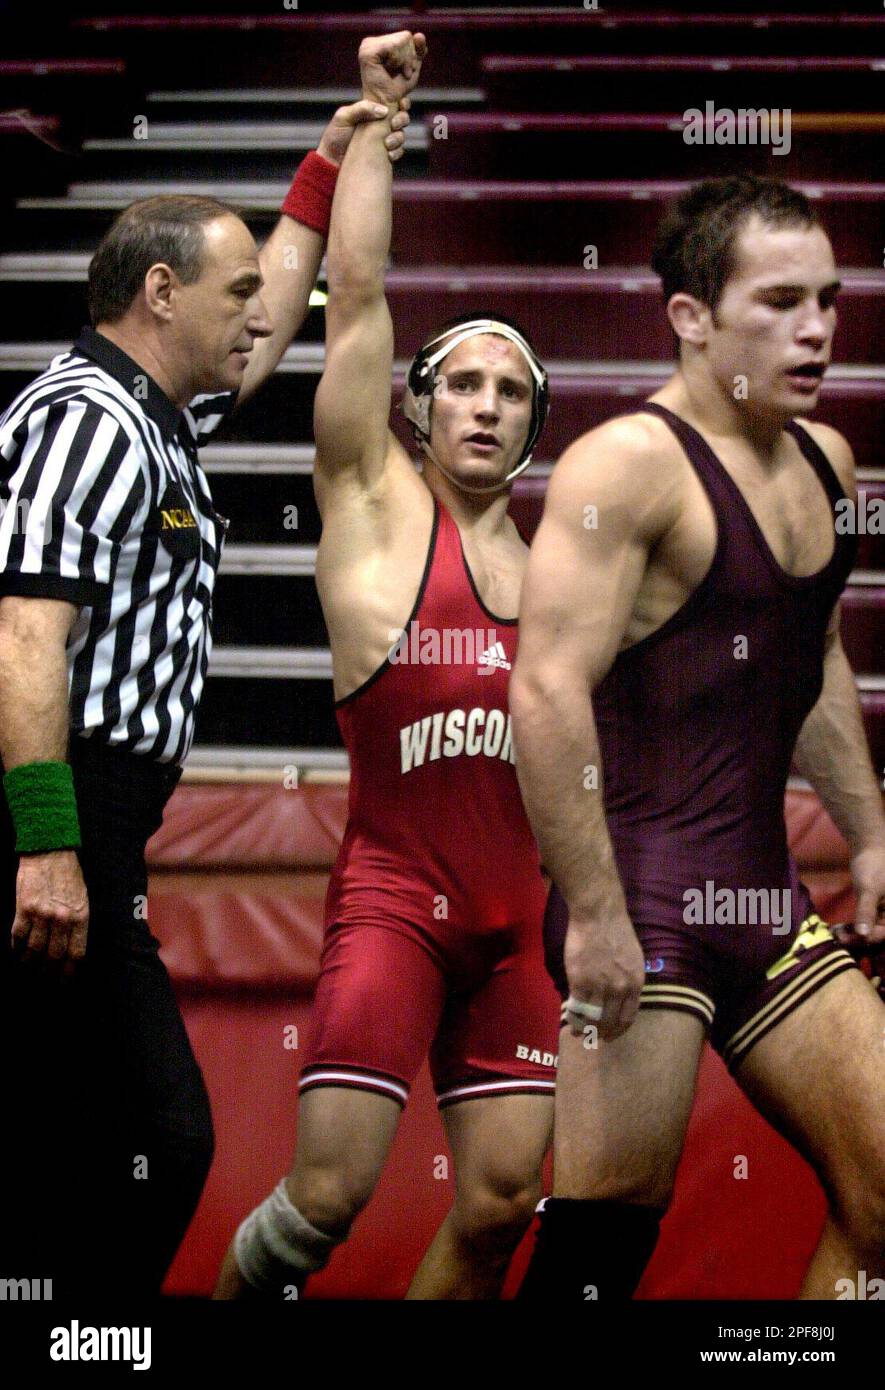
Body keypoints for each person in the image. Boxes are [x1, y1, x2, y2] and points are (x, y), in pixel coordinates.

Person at [0, 40, 411, 1300]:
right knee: (157, 1135)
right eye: (230, 294)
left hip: (102, 829)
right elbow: (24, 638)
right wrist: (49, 843)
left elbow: (287, 302)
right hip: (53, 810)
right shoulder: (87, 419)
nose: (259, 316)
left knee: (76, 1139)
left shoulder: (162, 411)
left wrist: (335, 155)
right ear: (162, 292)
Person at [214, 30, 562, 1302]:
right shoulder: (374, 507)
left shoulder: (567, 563)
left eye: (508, 391)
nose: (481, 405)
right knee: (329, 1197)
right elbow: (354, 298)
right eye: (458, 384)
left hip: (526, 921)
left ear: (534, 422)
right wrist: (377, 121)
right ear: (417, 409)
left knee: (502, 1197)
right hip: (395, 899)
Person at [509, 175, 885, 1300]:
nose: (816, 326)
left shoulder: (826, 462)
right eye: (777, 302)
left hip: (762, 897)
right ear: (690, 317)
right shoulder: (623, 467)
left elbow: (808, 658)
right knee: (602, 1243)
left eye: (827, 297)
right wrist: (601, 921)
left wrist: (868, 838)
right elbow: (543, 692)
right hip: (641, 902)